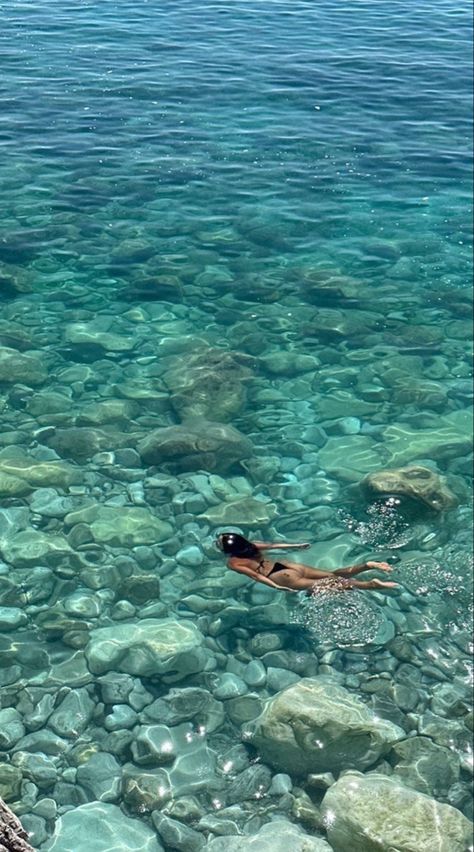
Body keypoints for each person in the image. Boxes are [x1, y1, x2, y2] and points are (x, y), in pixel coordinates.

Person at [215, 532, 398, 594]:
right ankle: (366, 565)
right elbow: (274, 545)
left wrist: (277, 587)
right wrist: (297, 545)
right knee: (333, 575)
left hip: (280, 577)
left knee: (332, 585)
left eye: (220, 542)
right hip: (289, 566)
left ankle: (369, 585)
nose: (217, 543)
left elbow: (255, 575)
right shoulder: (252, 545)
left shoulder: (233, 562)